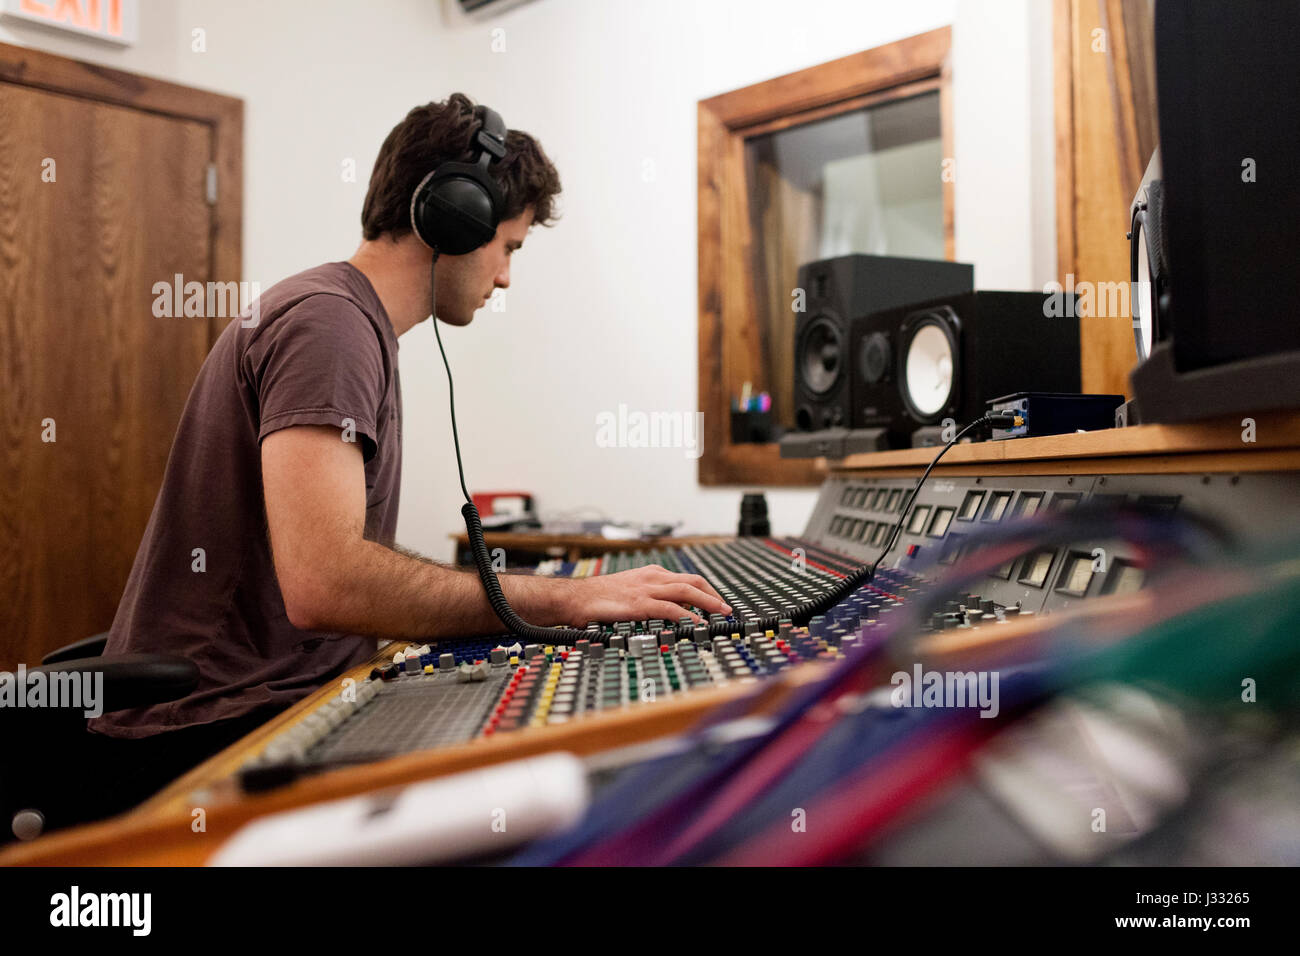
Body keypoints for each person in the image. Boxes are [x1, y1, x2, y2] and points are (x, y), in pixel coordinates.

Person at [85, 94, 729, 812]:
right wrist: (565, 598)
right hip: (210, 736)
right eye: (508, 247)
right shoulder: (327, 325)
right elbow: (325, 582)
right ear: (455, 217)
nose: (508, 276)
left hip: (271, 705)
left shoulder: (347, 321)